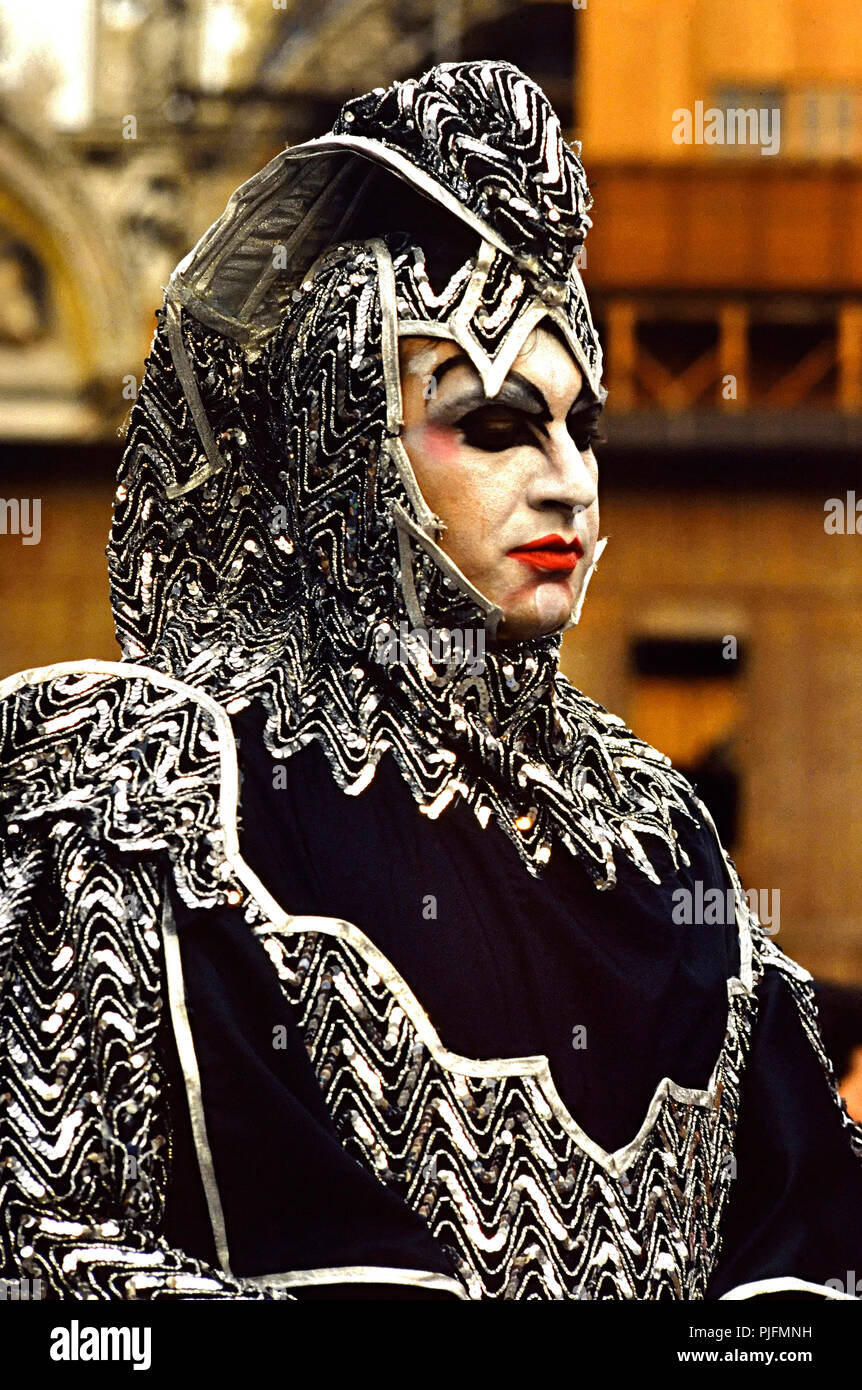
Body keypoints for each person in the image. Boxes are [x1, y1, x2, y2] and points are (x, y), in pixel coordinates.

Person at [1, 61, 861, 1302]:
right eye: (501, 426)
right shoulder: (158, 800)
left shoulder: (658, 838)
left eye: (585, 429)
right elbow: (38, 1256)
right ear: (344, 439)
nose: (568, 479)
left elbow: (808, 1250)